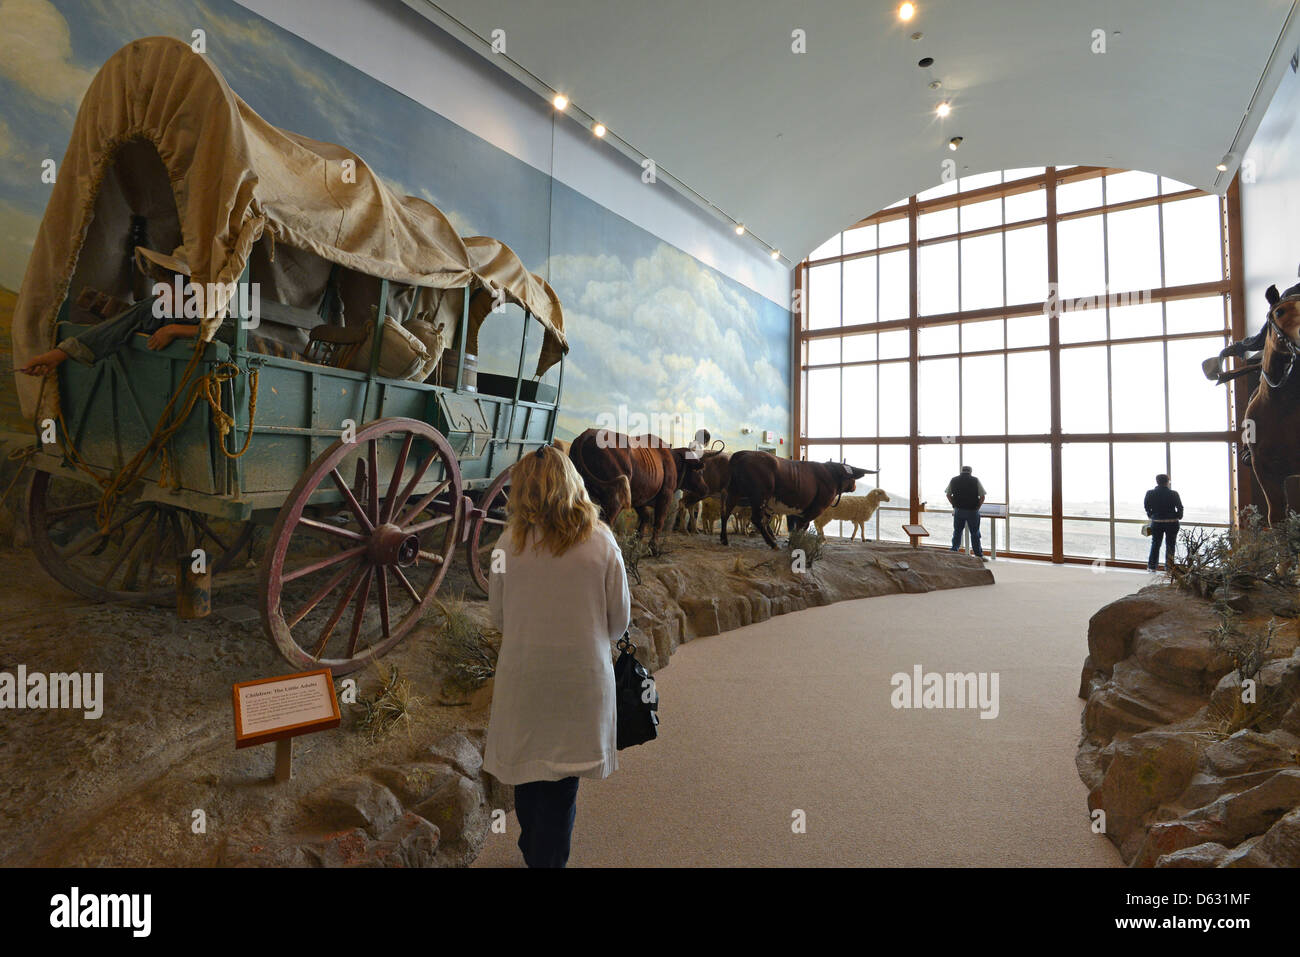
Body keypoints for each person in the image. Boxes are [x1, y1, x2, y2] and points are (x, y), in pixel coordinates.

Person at [485, 444, 631, 868]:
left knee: (527, 767)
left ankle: (536, 852)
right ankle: (544, 858)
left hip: (525, 672)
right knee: (564, 778)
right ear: (573, 481)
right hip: (581, 676)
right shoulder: (602, 541)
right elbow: (619, 619)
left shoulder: (505, 544)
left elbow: (498, 615)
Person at [945, 465, 987, 561]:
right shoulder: (975, 480)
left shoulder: (954, 480)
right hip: (972, 511)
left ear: (961, 471)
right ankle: (978, 555)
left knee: (957, 532)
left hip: (959, 510)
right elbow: (982, 496)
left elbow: (948, 495)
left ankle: (954, 551)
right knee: (975, 533)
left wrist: (954, 505)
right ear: (971, 471)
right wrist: (977, 507)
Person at [1144, 473, 1184, 572]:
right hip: (1172, 522)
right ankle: (1169, 568)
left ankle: (1152, 567)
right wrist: (1179, 516)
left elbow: (1147, 506)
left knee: (1155, 544)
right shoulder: (1174, 493)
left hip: (1157, 522)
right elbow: (1180, 507)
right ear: (1167, 482)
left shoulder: (1150, 493)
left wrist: (1152, 515)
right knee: (1170, 545)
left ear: (1157, 481)